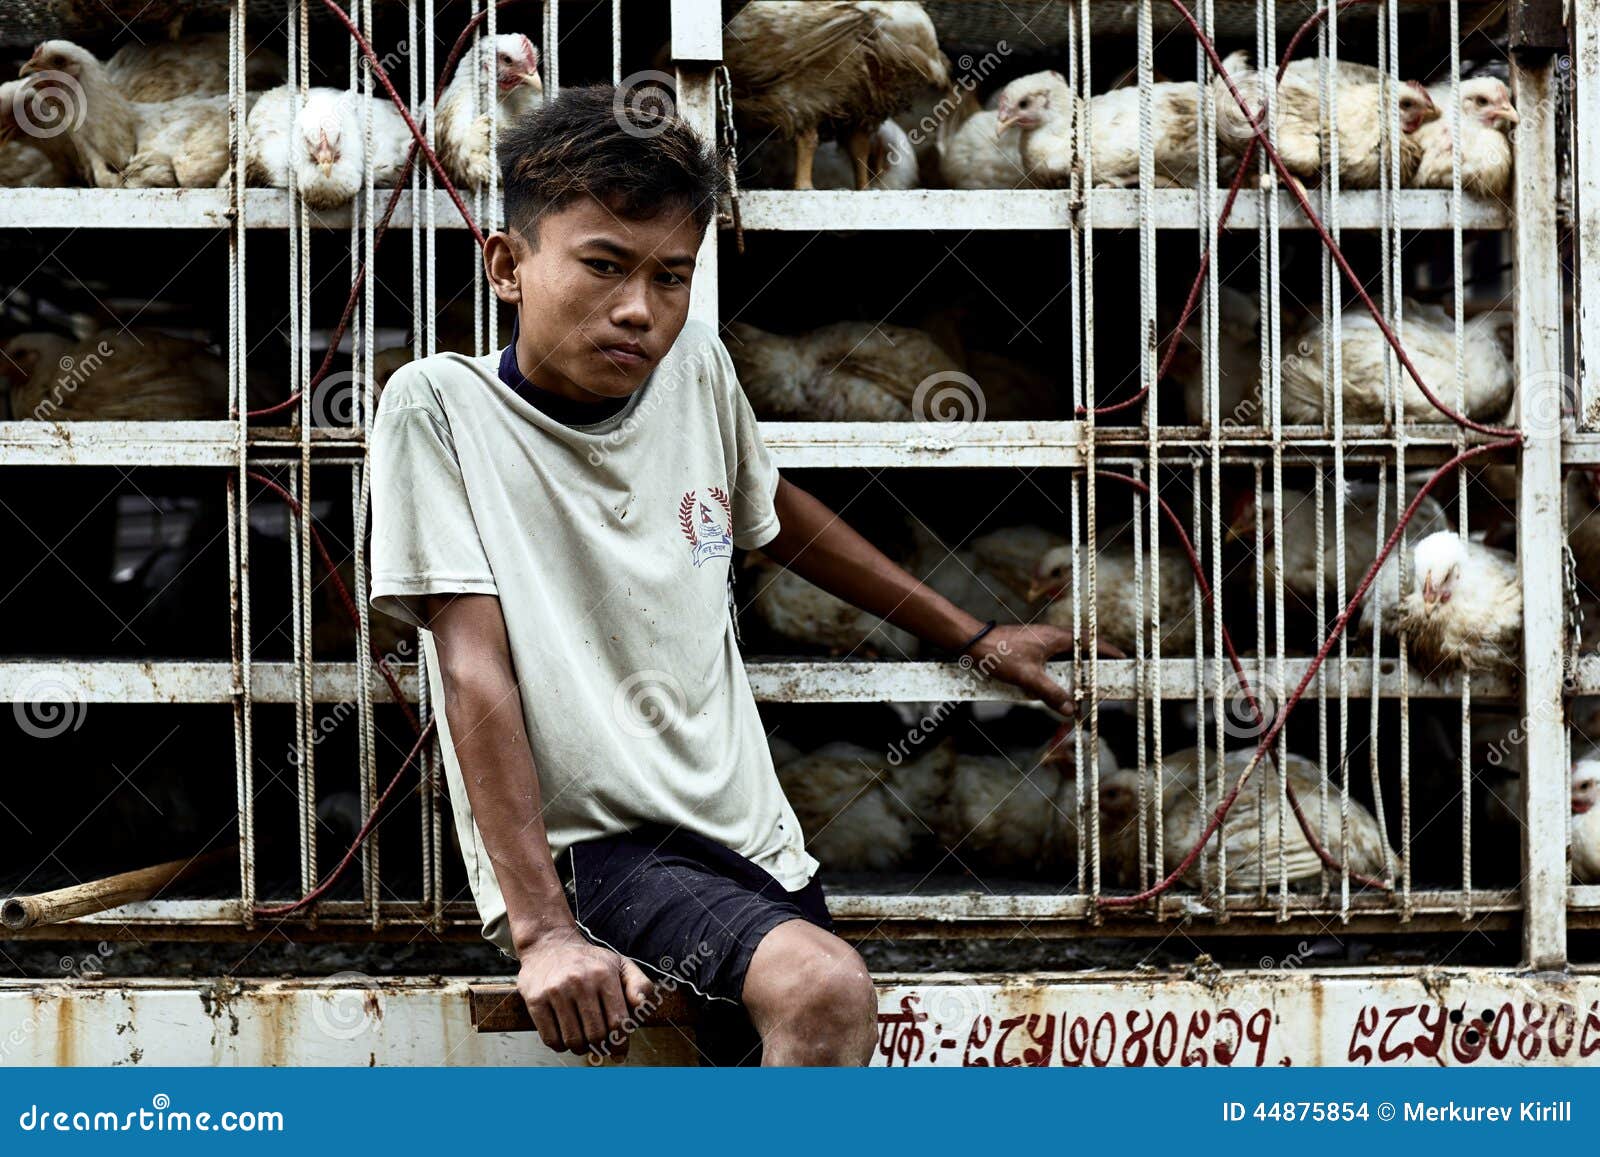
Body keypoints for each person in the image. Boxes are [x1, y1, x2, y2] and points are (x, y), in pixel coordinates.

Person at [370, 85, 1090, 1066]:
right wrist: (541, 930)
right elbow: (471, 668)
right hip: (608, 846)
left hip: (753, 839)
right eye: (603, 265)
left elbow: (770, 512)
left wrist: (968, 632)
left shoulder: (693, 368)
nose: (639, 309)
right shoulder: (437, 407)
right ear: (507, 265)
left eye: (671, 276)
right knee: (822, 986)